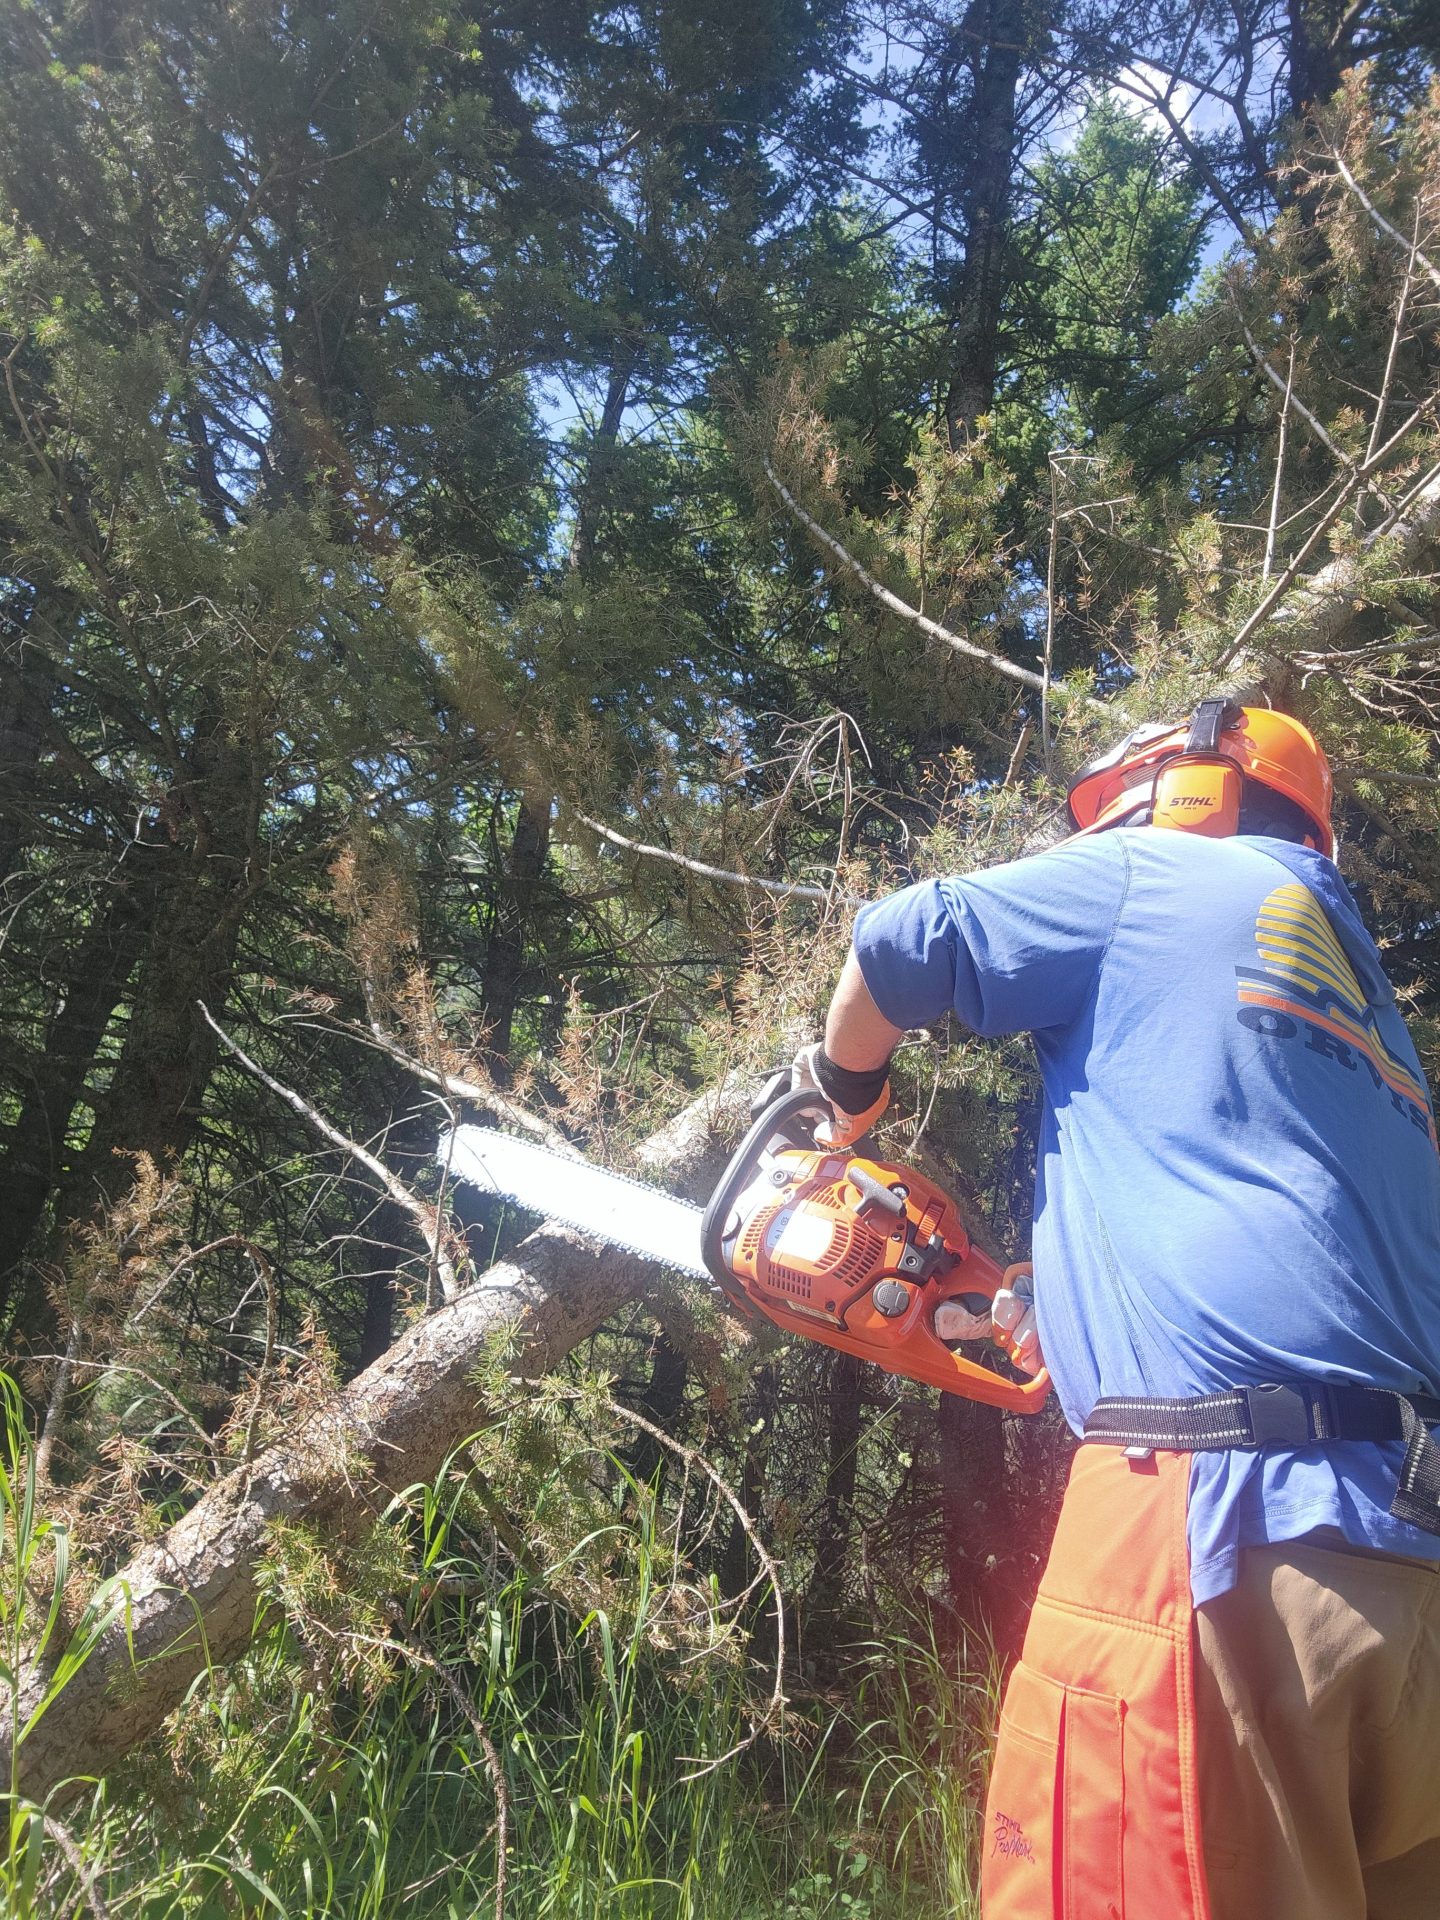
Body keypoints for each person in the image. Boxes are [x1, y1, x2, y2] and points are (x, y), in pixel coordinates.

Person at [795, 700, 1440, 1919]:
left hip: (1215, 1526)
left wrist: (845, 1091)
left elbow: (902, 940)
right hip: (1407, 1574)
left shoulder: (1161, 871)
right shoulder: (1375, 1027)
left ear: (1181, 794)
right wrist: (1073, 1308)